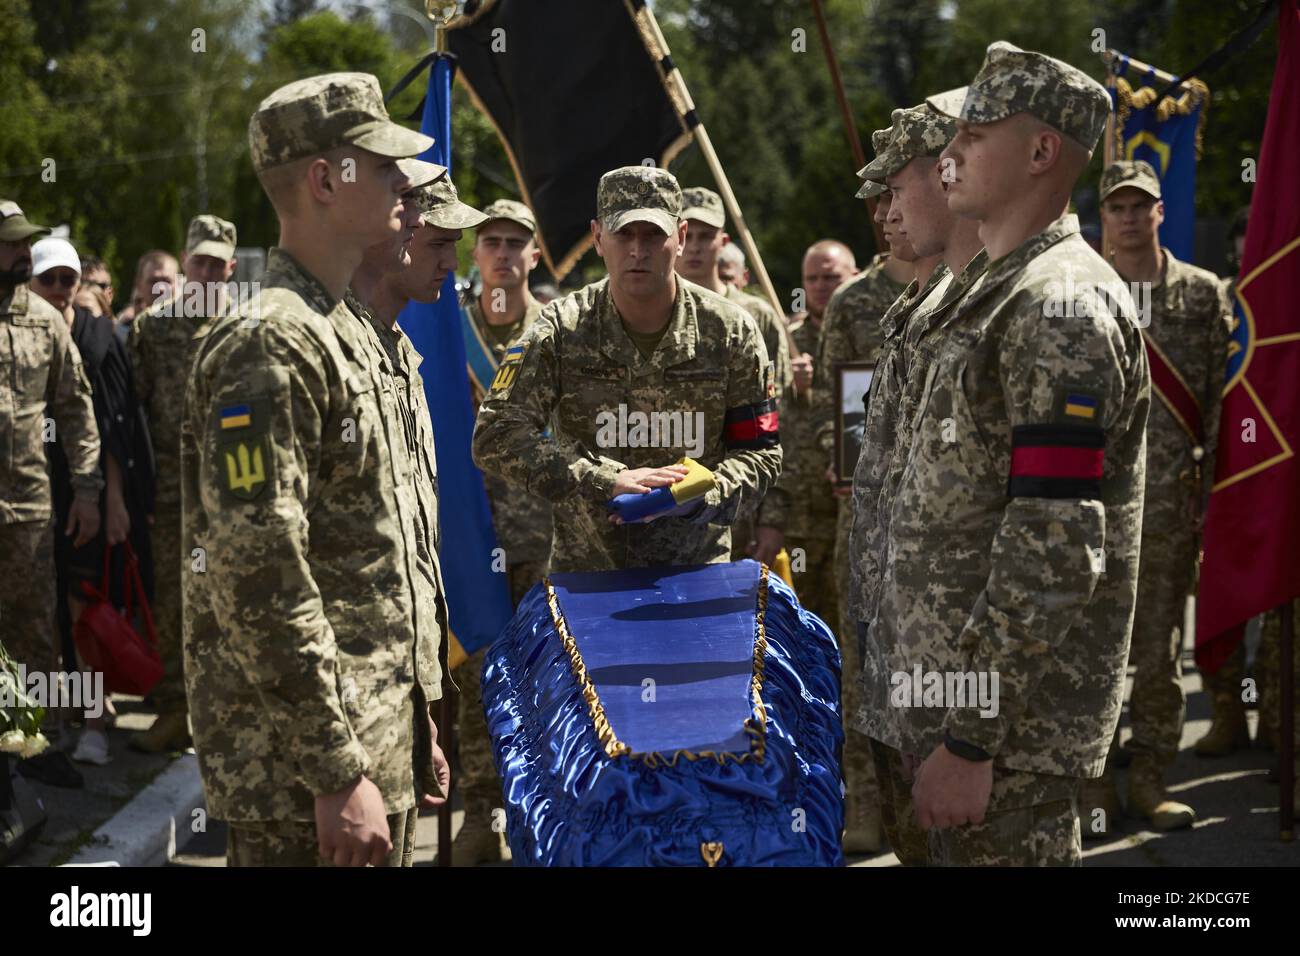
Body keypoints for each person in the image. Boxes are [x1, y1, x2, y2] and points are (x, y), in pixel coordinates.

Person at [861, 41, 1149, 866]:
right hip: (945, 714)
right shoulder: (995, 290)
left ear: (1040, 152)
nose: (945, 158)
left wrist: (974, 739)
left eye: (971, 139)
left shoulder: (1058, 307)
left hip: (1005, 744)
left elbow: (1053, 546)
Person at [181, 72, 449, 867]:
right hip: (303, 779)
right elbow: (258, 569)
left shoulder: (346, 330)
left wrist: (413, 721)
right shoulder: (271, 342)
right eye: (382, 162)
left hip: (369, 747)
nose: (404, 180)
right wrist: (335, 768)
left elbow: (377, 554)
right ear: (326, 181)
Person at [473, 165, 782, 572]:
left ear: (682, 237)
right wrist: (602, 479)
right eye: (624, 234)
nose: (638, 250)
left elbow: (760, 453)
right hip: (588, 573)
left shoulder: (730, 331)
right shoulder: (562, 328)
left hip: (696, 569)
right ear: (598, 238)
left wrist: (700, 496)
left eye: (654, 234)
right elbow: (495, 435)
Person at [845, 104, 988, 861]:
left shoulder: (1011, 309)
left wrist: (966, 729)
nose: (887, 213)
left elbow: (1032, 544)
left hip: (966, 691)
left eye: (896, 189)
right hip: (908, 664)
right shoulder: (918, 311)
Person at [1083, 160, 1232, 832]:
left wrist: (1215, 499)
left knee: (1159, 652)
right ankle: (1093, 786)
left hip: (1170, 506)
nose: (1131, 217)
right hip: (1092, 503)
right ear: (1103, 218)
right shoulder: (1076, 290)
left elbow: (1218, 403)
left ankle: (1148, 778)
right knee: (1088, 651)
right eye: (1118, 207)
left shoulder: (1202, 294)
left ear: (1161, 213)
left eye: (1141, 206)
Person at [30, 236, 155, 768]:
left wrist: (113, 501)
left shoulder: (97, 336)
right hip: (32, 496)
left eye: (68, 280)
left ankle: (96, 717)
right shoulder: (21, 332)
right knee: (40, 612)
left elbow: (112, 427)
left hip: (88, 493)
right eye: (48, 279)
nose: (59, 290)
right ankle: (50, 720)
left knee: (85, 607)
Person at [127, 214, 239, 754]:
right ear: (186, 260)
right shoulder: (154, 327)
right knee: (172, 604)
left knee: (229, 607)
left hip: (232, 501)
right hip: (171, 495)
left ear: (232, 268)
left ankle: (221, 716)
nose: (208, 272)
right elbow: (134, 413)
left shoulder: (248, 328)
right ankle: (174, 711)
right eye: (200, 261)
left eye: (219, 264)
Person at [0, 202, 102, 789]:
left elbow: (76, 411)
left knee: (34, 632)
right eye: (12, 245)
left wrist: (87, 492)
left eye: (25, 245)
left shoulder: (43, 320)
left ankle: (30, 746)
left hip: (30, 510)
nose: (22, 254)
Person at [672, 186, 794, 564]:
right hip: (662, 507)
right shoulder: (649, 310)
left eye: (705, 237)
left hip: (737, 511)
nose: (694, 247)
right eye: (687, 235)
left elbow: (778, 423)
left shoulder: (756, 318)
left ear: (723, 242)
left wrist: (773, 518)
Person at [114, 250, 178, 341]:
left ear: (178, 283)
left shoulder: (196, 331)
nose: (161, 289)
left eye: (167, 281)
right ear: (139, 285)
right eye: (153, 281)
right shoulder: (121, 337)